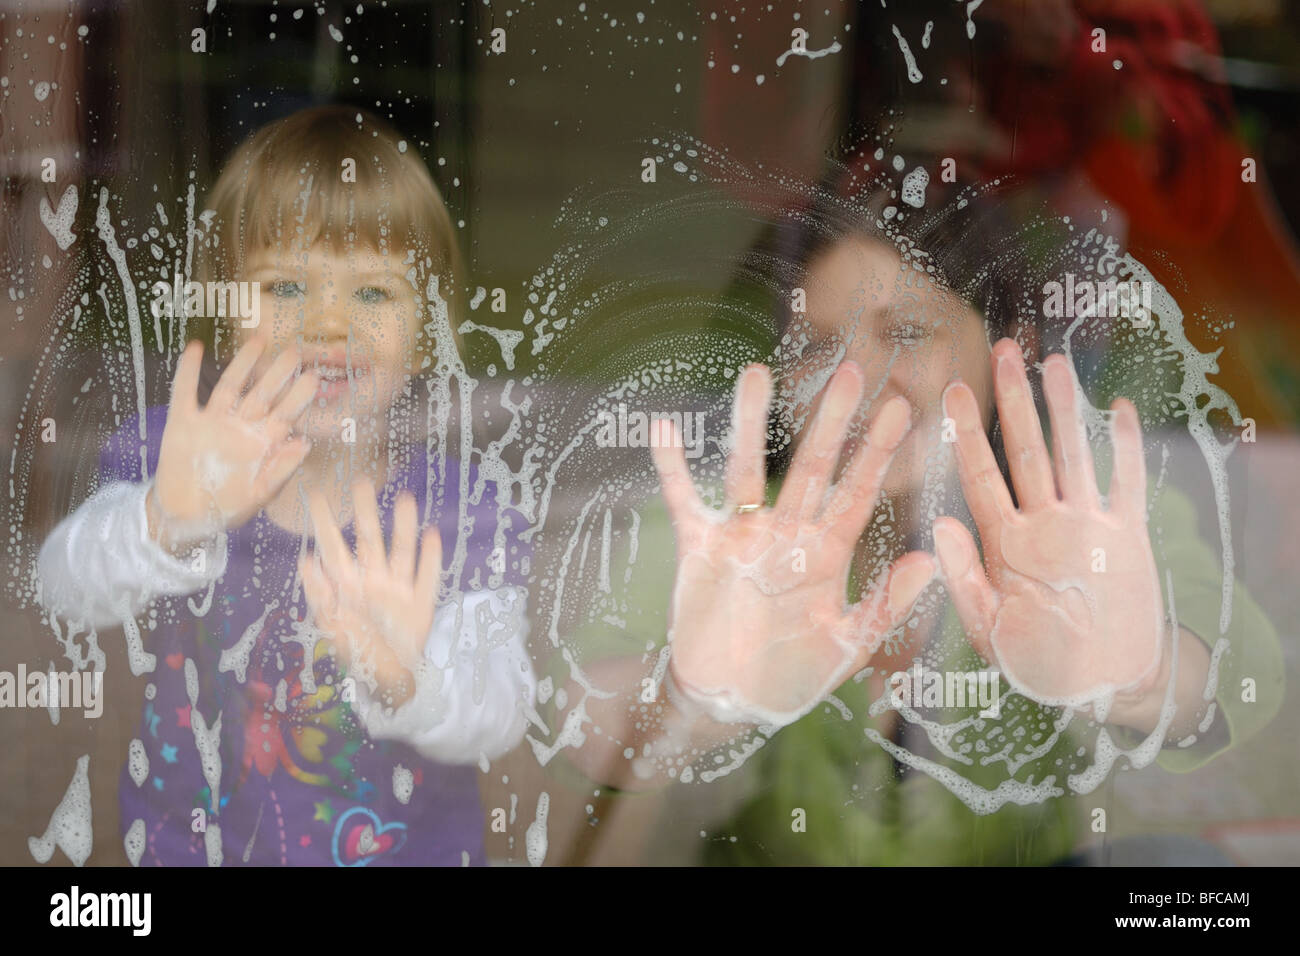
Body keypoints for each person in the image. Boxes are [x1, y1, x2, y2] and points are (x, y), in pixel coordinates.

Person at [544, 190, 1284, 865]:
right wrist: (683, 701)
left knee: (1185, 871)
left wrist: (1146, 676)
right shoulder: (730, 525)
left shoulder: (1082, 505)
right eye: (812, 345)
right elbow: (576, 710)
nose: (853, 381)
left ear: (1014, 346)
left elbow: (1238, 670)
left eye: (907, 332)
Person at [36, 105, 536, 866]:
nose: (330, 324)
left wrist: (412, 679)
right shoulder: (177, 452)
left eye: (373, 294)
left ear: (428, 327)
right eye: (284, 288)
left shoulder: (463, 511)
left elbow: (501, 713)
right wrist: (163, 520)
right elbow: (61, 588)